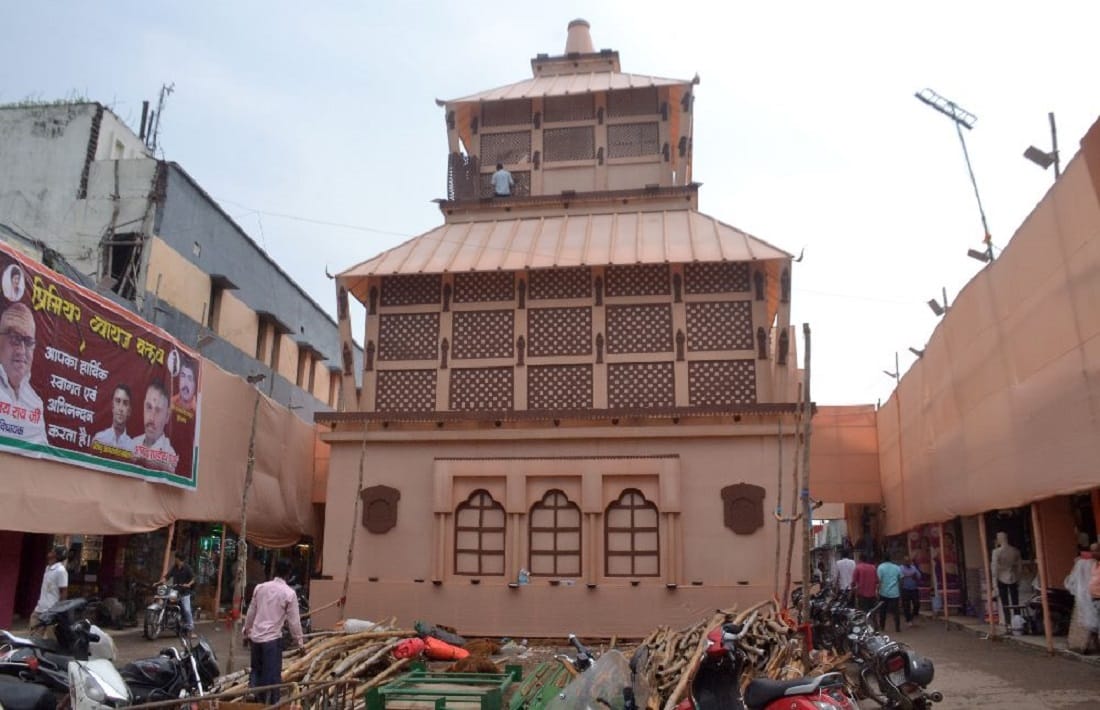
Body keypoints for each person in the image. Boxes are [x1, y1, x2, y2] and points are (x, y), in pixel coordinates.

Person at [243, 559, 304, 704]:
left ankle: (255, 697)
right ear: (288, 574)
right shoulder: (289, 593)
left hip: (256, 638)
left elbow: (251, 612)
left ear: (275, 571)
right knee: (272, 677)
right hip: (272, 640)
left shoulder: (260, 588)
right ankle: (270, 704)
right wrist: (300, 642)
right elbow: (294, 622)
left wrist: (246, 631)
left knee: (256, 670)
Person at [0, 302, 46, 443]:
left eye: (28, 342)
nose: (21, 350)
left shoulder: (35, 404)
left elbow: (41, 451)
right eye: (14, 339)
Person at [132, 381, 178, 472]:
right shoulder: (132, 443)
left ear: (167, 416)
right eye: (149, 407)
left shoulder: (170, 453)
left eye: (158, 410)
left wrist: (143, 461)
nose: (151, 418)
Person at [29, 546, 68, 639]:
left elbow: (64, 591)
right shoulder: (48, 568)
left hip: (52, 611)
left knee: (51, 639)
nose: (49, 552)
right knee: (34, 638)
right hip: (40, 609)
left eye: (52, 551)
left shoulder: (61, 571)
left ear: (56, 555)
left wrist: (59, 610)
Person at [91, 384, 135, 456]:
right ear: (112, 406)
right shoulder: (99, 439)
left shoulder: (133, 448)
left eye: (125, 403)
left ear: (129, 411)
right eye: (118, 401)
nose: (120, 408)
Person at [991, 531, 1022, 625]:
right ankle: (1018, 621)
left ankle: (1008, 622)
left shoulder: (996, 552)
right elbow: (1019, 567)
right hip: (1013, 576)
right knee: (1015, 601)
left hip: (1001, 577)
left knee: (1005, 602)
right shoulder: (1015, 551)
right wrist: (1018, 578)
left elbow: (994, 568)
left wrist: (994, 583)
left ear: (1000, 539)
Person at [162, 552, 195, 635]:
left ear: (180, 560)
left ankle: (190, 627)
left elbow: (193, 578)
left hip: (185, 592)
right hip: (175, 591)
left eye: (176, 558)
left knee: (187, 609)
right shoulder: (174, 567)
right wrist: (161, 581)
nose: (175, 560)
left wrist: (188, 584)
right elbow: (167, 576)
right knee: (166, 603)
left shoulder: (187, 568)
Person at [877, 555, 903, 632]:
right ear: (890, 559)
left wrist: (878, 590)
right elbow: (901, 579)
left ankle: (882, 626)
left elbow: (879, 580)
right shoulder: (897, 567)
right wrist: (900, 590)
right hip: (895, 592)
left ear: (883, 559)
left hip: (883, 592)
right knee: (896, 611)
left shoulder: (880, 567)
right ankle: (897, 627)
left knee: (883, 610)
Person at [899, 556, 923, 626]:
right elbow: (901, 576)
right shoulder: (901, 568)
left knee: (917, 604)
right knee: (906, 606)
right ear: (904, 562)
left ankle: (913, 616)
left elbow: (919, 576)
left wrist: (913, 576)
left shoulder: (913, 568)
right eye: (906, 561)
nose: (908, 562)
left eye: (909, 561)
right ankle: (908, 619)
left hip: (914, 588)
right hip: (905, 589)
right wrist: (909, 575)